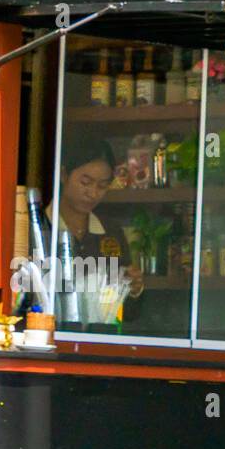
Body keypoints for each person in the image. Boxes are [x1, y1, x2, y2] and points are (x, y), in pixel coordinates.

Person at [47, 139, 144, 326]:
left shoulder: (111, 233)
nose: (93, 193)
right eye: (85, 182)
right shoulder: (40, 229)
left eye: (102, 186)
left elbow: (128, 315)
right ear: (63, 174)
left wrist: (133, 290)